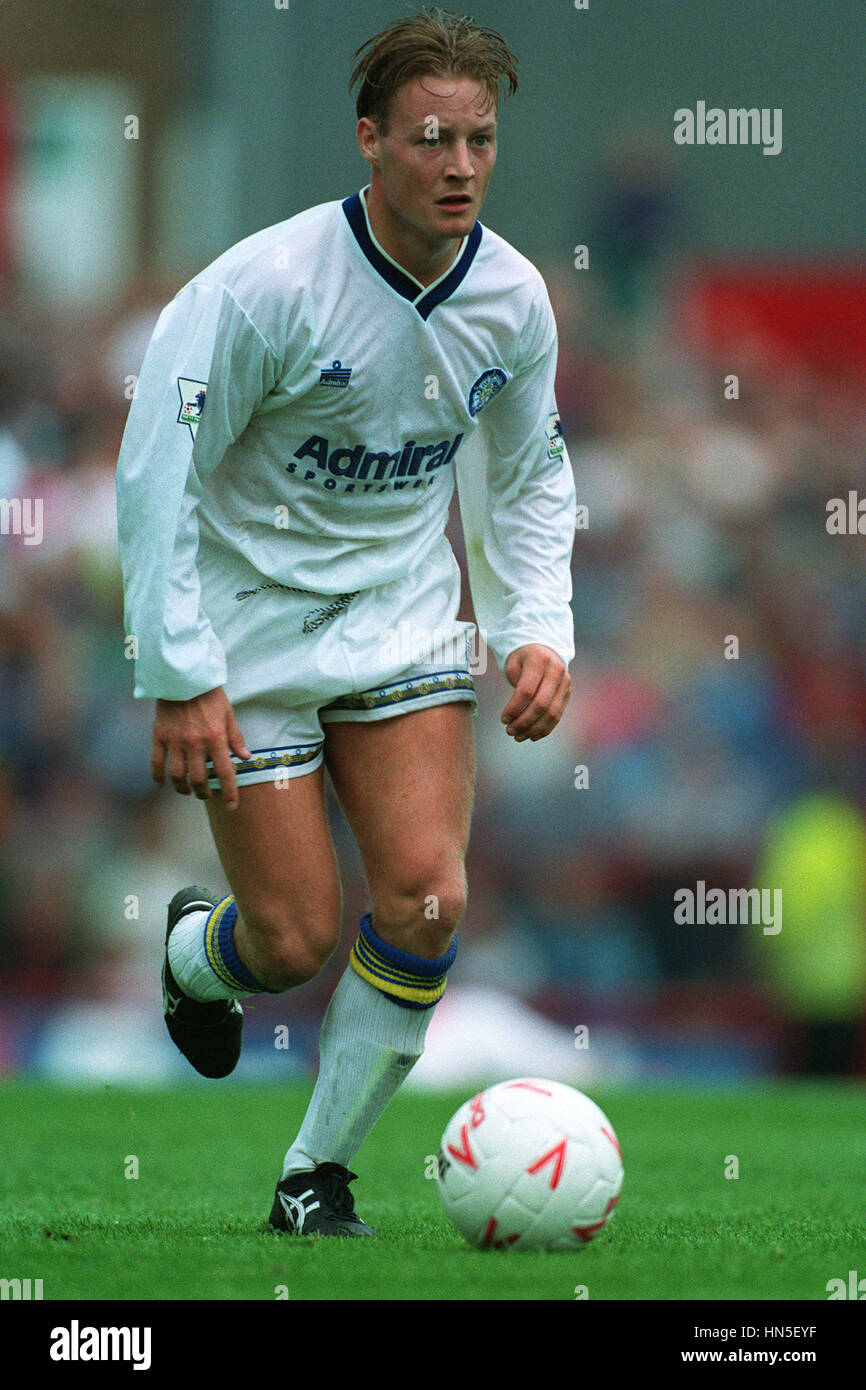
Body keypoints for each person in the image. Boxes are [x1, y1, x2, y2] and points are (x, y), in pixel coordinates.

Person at [116, 6, 577, 1237]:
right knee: (291, 939)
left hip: (403, 616)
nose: (462, 166)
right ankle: (194, 957)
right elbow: (156, 464)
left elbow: (528, 471)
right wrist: (177, 668)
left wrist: (540, 626)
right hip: (250, 626)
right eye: (433, 138)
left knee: (426, 900)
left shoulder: (514, 298)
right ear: (369, 140)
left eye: (480, 139)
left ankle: (312, 1174)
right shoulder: (260, 289)